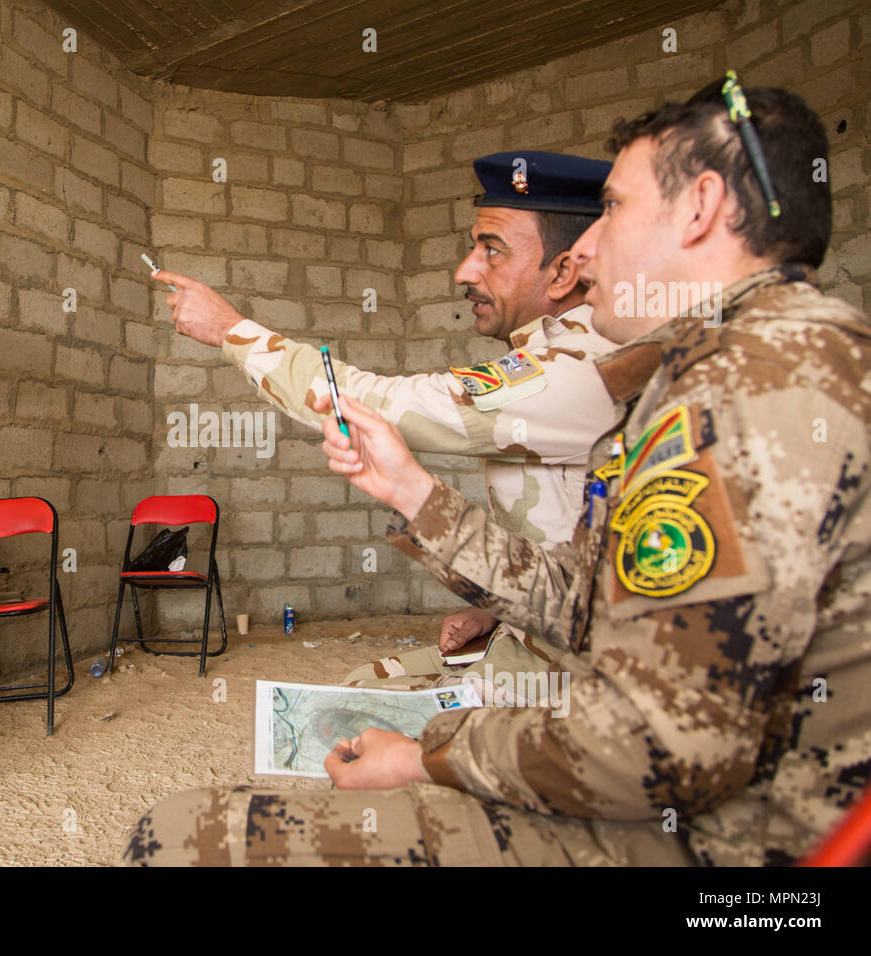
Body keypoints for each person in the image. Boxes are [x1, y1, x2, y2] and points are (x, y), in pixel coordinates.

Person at [123, 78, 870, 866]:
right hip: (698, 798)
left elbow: (664, 745)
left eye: (612, 209)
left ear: (702, 206)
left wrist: (432, 752)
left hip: (732, 852)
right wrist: (411, 492)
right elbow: (588, 602)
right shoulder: (735, 365)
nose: (585, 253)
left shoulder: (759, 386)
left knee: (182, 838)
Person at [157, 152, 619, 695]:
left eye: (491, 250)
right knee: (364, 680)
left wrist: (231, 331)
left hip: (579, 671)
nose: (464, 272)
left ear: (564, 271)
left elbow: (376, 401)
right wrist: (497, 616)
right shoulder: (558, 351)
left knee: (357, 715)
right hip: (542, 627)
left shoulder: (580, 369)